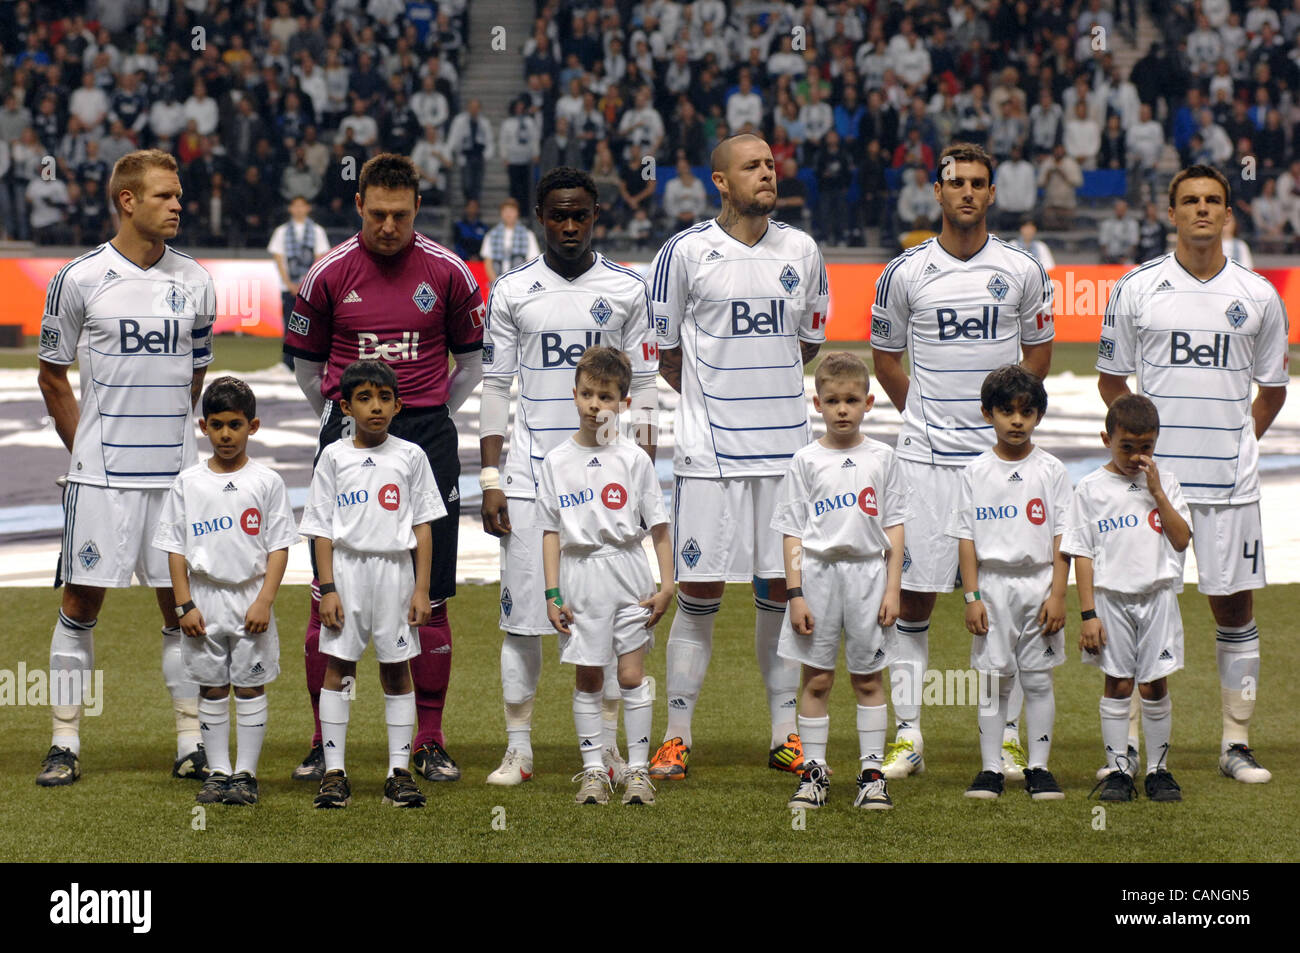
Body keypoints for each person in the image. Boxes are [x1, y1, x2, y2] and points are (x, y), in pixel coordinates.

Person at [284, 154, 485, 786]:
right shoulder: (326, 273)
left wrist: (420, 420)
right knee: (329, 591)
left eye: (400, 214)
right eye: (377, 214)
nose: (389, 225)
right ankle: (323, 742)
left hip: (426, 432)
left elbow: (472, 365)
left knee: (433, 592)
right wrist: (347, 421)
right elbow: (306, 369)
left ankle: (428, 740)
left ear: (417, 208)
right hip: (345, 437)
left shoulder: (449, 272)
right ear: (359, 207)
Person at [1097, 164, 1288, 784]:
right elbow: (1111, 382)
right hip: (1151, 490)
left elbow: (1272, 390)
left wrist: (1239, 447)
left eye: (1213, 201)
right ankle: (1127, 750)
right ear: (1170, 213)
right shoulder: (1136, 288)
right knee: (1138, 606)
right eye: (1190, 201)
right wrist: (1142, 463)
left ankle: (1236, 743)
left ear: (1228, 214)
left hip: (1231, 489)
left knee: (1233, 610)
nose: (1202, 210)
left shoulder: (1258, 295)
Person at [647, 133, 829, 781]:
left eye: (771, 165)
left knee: (780, 592)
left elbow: (807, 343)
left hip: (786, 456)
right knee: (697, 593)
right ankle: (675, 735)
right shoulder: (683, 253)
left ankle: (785, 733)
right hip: (709, 458)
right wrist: (711, 401)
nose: (766, 174)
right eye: (751, 166)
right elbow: (663, 352)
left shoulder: (803, 251)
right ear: (720, 181)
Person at [871, 142, 1054, 784]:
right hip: (923, 464)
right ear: (938, 192)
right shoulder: (904, 272)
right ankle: (909, 736)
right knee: (913, 602)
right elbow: (887, 359)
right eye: (958, 184)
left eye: (979, 183)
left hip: (996, 469)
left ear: (992, 192)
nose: (969, 193)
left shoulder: (1023, 270)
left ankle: (1002, 740)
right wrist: (923, 415)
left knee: (999, 606)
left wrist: (1007, 426)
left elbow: (1038, 351)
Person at [36, 150, 217, 787]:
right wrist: (85, 451)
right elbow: (53, 378)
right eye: (165, 195)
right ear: (128, 201)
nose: (178, 204)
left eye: (179, 194)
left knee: (182, 608)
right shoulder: (79, 279)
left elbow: (195, 374)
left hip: (175, 480)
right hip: (100, 481)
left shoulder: (195, 280)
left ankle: (190, 742)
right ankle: (64, 742)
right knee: (81, 604)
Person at [479, 167, 659, 786]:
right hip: (531, 478)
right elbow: (496, 388)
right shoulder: (511, 290)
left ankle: (607, 750)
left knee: (609, 618)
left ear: (596, 215)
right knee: (523, 618)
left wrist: (642, 473)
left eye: (580, 214)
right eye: (558, 215)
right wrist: (490, 479)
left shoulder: (629, 289)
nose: (570, 226)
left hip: (608, 482)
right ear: (539, 217)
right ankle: (519, 749)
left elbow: (650, 386)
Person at [298, 360, 443, 809]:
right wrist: (329, 587)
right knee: (339, 668)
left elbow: (422, 527)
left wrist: (421, 590)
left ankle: (398, 772)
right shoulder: (334, 456)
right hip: (347, 573)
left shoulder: (411, 456)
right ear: (346, 405)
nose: (375, 407)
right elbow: (321, 528)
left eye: (383, 398)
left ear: (398, 404)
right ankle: (335, 771)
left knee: (397, 669)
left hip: (395, 576)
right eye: (364, 398)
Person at [539, 347, 674, 805]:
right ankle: (594, 770)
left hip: (629, 573)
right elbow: (551, 533)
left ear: (624, 402)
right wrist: (553, 593)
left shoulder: (634, 459)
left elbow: (658, 528)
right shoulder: (556, 460)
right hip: (580, 576)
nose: (596, 404)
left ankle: (637, 771)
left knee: (632, 676)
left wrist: (667, 584)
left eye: (607, 396)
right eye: (588, 394)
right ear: (574, 395)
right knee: (588, 678)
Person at [153, 377, 298, 806]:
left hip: (250, 597)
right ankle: (218, 772)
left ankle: (246, 775)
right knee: (212, 688)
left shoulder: (268, 481)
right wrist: (184, 605)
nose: (226, 435)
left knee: (250, 687)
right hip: (204, 600)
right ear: (203, 427)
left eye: (235, 425)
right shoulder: (188, 482)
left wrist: (265, 600)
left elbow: (278, 546)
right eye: (217, 425)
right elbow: (175, 549)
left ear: (253, 426)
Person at [776, 352, 906, 811]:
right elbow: (792, 530)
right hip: (818, 578)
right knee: (816, 680)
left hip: (870, 576)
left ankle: (871, 774)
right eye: (833, 401)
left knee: (869, 680)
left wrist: (893, 588)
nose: (843, 409)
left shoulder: (883, 457)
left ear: (869, 402)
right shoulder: (805, 460)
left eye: (852, 399)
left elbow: (894, 527)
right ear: (818, 403)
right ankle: (814, 773)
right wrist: (795, 593)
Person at [947, 366, 1071, 800]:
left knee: (1037, 680)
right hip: (993, 588)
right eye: (1006, 411)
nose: (1017, 421)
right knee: (995, 681)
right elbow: (966, 541)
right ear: (987, 414)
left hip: (1039, 584)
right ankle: (990, 769)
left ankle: (1038, 768)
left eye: (1026, 411)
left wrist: (1058, 595)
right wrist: (972, 597)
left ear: (1038, 415)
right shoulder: (974, 473)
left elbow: (1062, 539)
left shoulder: (1052, 470)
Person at [1063, 395, 1191, 803]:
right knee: (1118, 683)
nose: (1137, 456)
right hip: (1111, 600)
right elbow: (1081, 552)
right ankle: (1119, 769)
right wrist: (1088, 614)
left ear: (1156, 443)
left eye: (1146, 448)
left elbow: (1182, 537)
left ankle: (1158, 770)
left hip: (1158, 598)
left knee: (1154, 684)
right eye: (1127, 447)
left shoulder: (1165, 482)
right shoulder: (1089, 489)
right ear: (1107, 438)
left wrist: (1157, 493)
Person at [267, 196, 331, 367]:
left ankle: (311, 362)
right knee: (289, 325)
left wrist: (305, 284)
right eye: (296, 206)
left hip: (310, 288)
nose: (299, 209)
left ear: (308, 208)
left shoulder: (317, 231)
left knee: (312, 326)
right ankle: (288, 363)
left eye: (302, 206)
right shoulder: (281, 231)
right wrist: (289, 284)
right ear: (290, 208)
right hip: (288, 287)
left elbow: (319, 259)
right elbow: (279, 259)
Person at [480, 198, 540, 284]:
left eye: (511, 211)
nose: (508, 214)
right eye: (505, 211)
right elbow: (488, 262)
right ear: (501, 213)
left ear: (517, 213)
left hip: (520, 282)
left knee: (518, 260)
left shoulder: (528, 235)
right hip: (497, 280)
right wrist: (496, 283)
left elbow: (531, 261)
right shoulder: (491, 235)